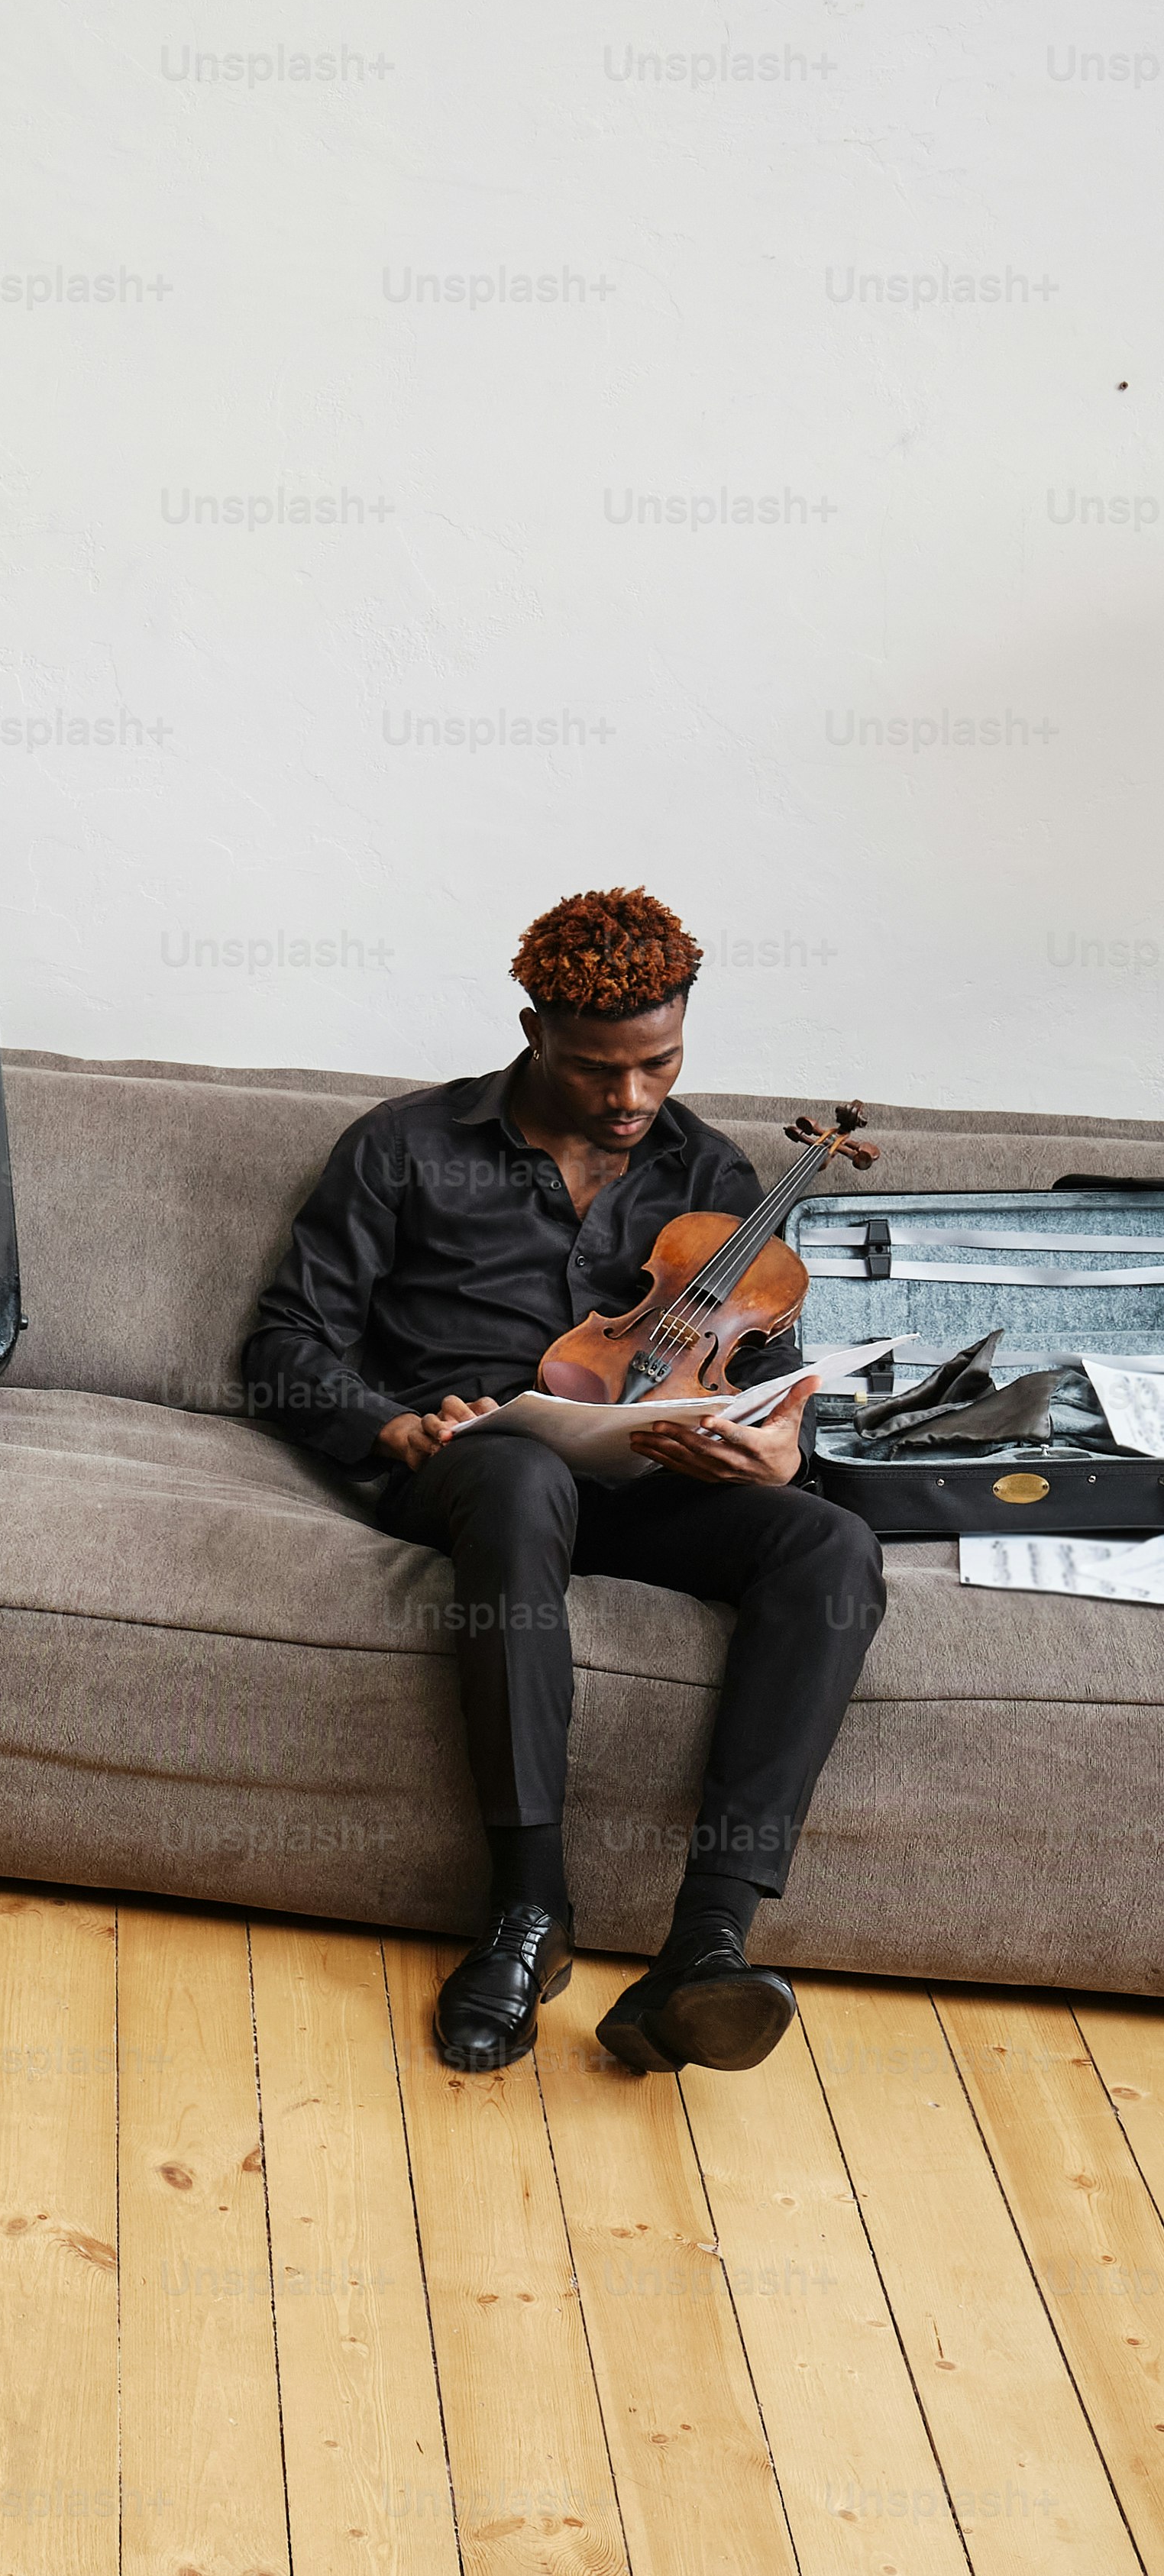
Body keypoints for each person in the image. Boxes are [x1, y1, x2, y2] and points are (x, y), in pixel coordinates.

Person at [243, 887, 886, 2077]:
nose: (632, 1097)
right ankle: (528, 1911)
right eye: (597, 1068)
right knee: (522, 1472)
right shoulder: (405, 1145)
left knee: (829, 1544)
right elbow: (284, 1341)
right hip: (473, 1473)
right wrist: (394, 1426)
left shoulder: (711, 1168)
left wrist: (777, 1449)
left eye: (660, 1062)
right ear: (535, 1030)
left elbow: (767, 1373)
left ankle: (704, 1943)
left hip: (648, 1483)